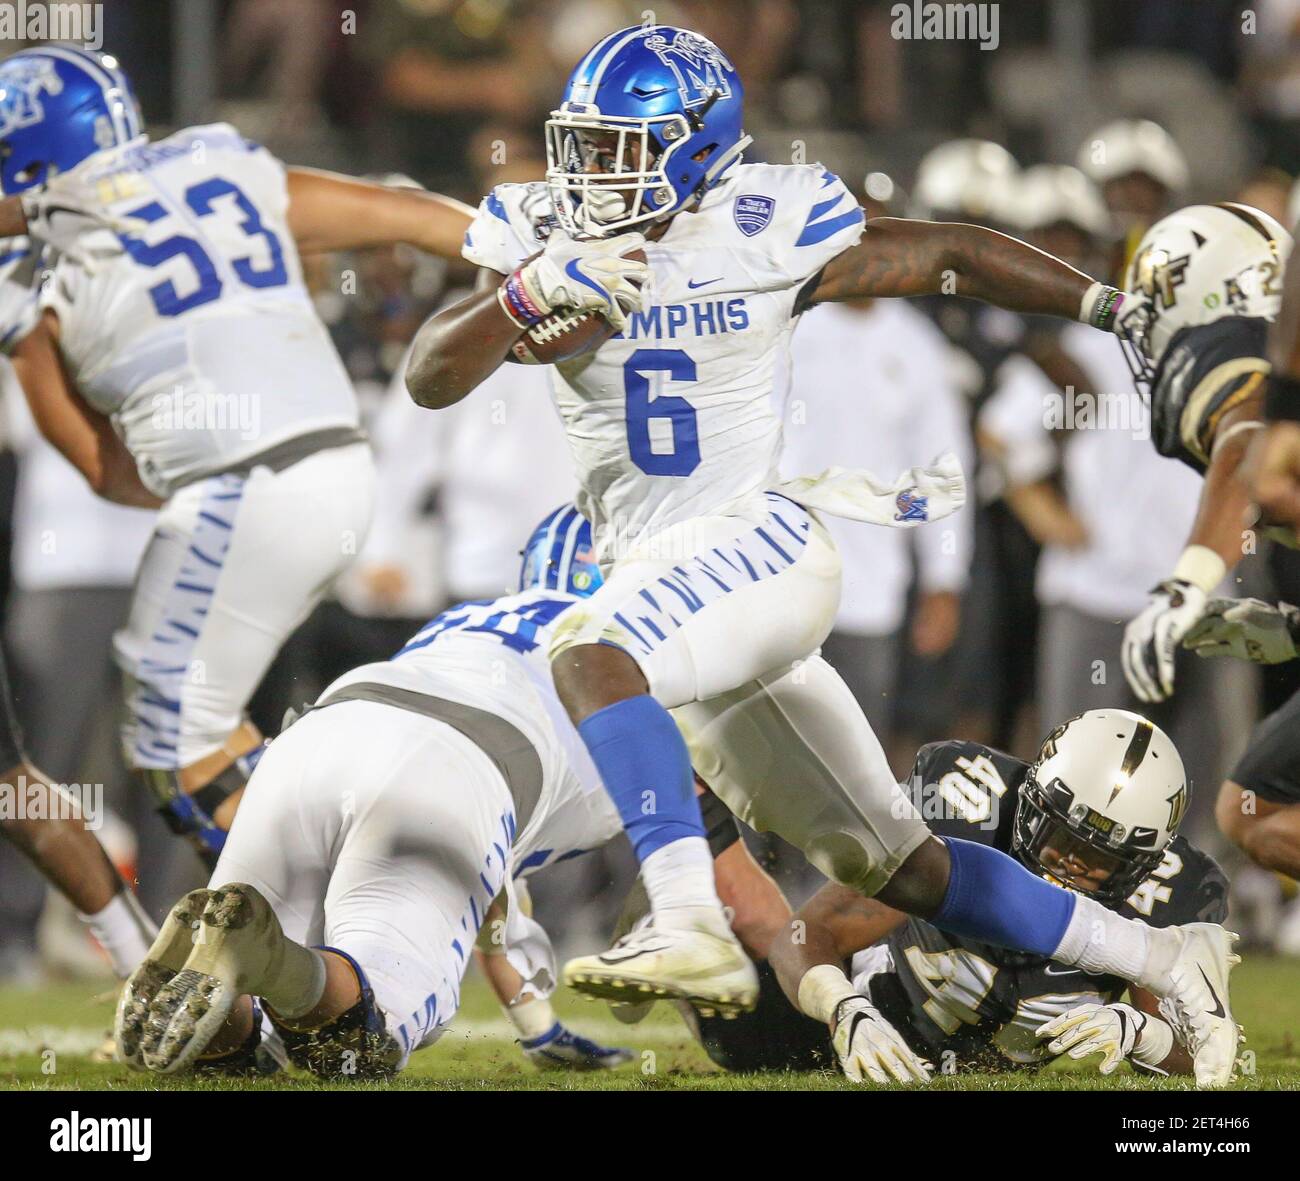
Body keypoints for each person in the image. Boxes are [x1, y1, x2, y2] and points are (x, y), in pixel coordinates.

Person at [404, 25, 1241, 1086]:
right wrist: (524, 294)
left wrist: (1110, 308)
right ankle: (1166, 957)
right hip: (677, 577)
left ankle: (684, 918)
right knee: (900, 861)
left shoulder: (764, 222)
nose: (592, 172)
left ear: (697, 147)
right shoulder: (541, 233)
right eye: (586, 144)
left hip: (758, 545)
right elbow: (432, 374)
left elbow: (944, 249)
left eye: (625, 147)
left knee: (588, 647)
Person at [0, 46, 473, 869]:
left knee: (170, 740)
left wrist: (179, 450)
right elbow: (415, 215)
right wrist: (540, 260)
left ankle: (373, 900)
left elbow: (107, 472)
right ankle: (395, 856)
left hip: (240, 486)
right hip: (335, 467)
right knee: (210, 730)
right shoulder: (220, 166)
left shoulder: (42, 262)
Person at [767, 712, 1225, 1082]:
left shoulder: (1172, 890)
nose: (1073, 863)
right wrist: (843, 1008)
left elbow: (1197, 1051)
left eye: (1100, 856)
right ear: (1030, 809)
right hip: (861, 1022)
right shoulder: (966, 807)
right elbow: (808, 932)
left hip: (991, 1063)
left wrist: (1141, 1034)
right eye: (1062, 838)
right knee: (735, 1025)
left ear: (1139, 868)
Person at [1115, 204, 1292, 703]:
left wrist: (1187, 585)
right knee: (1257, 776)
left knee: (1259, 777)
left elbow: (1250, 448)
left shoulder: (1239, 353)